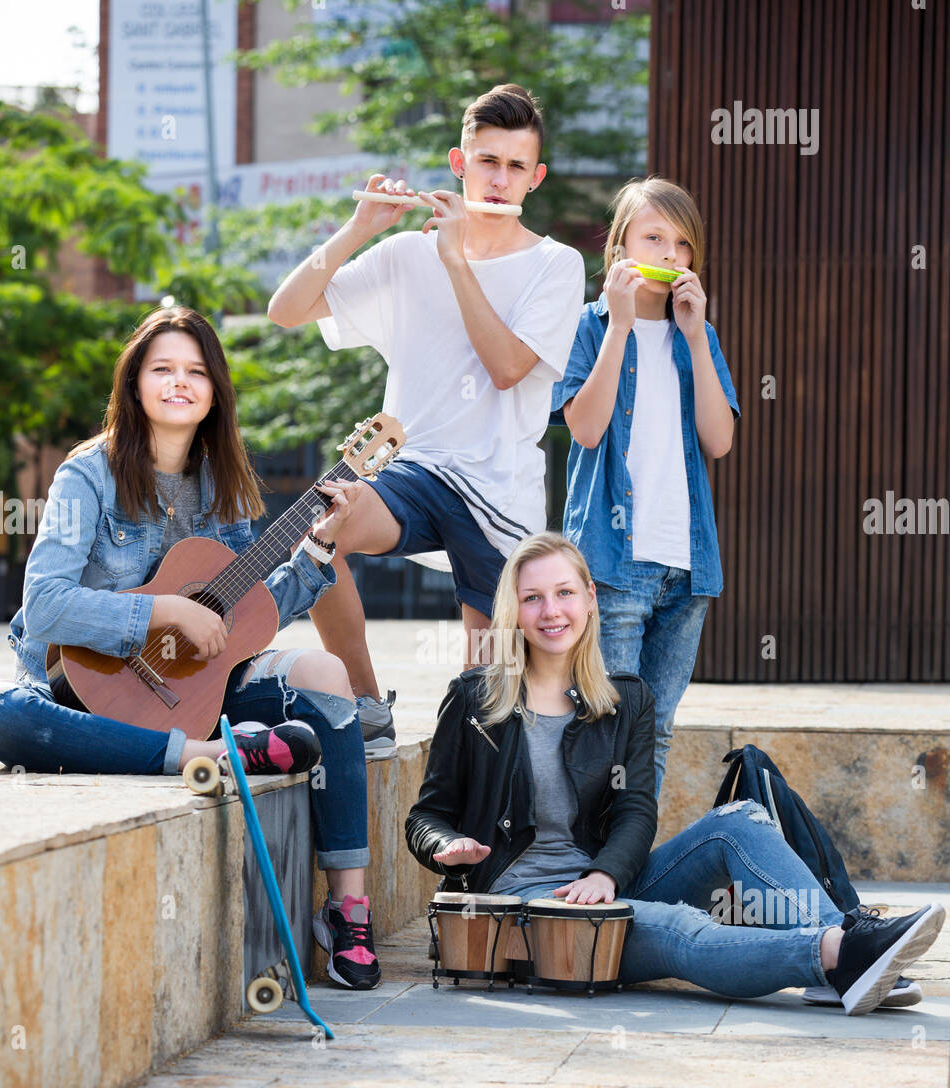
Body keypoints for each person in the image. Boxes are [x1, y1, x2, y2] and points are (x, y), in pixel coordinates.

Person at [0, 306, 380, 991]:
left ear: (215, 390)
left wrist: (317, 551)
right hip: (85, 690)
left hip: (190, 690)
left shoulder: (224, 485)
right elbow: (46, 603)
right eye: (162, 369)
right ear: (134, 382)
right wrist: (159, 610)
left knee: (323, 672)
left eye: (196, 372)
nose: (180, 383)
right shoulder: (90, 475)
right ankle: (204, 755)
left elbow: (248, 619)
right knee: (3, 716)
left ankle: (348, 907)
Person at [405, 533, 943, 1015]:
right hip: (531, 912)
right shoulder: (475, 700)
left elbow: (636, 810)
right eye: (533, 598)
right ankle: (842, 954)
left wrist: (605, 875)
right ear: (513, 611)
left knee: (740, 819)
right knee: (682, 929)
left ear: (590, 599)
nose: (552, 610)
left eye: (565, 592)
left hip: (606, 880)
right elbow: (427, 814)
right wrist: (445, 844)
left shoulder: (625, 699)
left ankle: (848, 951)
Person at [267, 83, 586, 759]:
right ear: (458, 162)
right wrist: (360, 228)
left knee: (486, 705)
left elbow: (504, 367)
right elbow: (285, 311)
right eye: (486, 161)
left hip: (498, 490)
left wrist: (455, 260)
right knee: (317, 526)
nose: (498, 179)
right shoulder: (406, 254)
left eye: (514, 166)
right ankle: (363, 704)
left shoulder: (556, 266)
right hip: (412, 466)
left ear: (536, 178)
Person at [551, 176, 739, 797]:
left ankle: (629, 876)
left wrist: (694, 335)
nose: (669, 255)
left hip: (686, 571)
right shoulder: (590, 325)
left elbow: (719, 440)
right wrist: (620, 326)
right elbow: (584, 428)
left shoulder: (699, 336)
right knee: (608, 728)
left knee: (654, 732)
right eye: (653, 237)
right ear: (620, 248)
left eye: (683, 244)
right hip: (614, 563)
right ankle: (596, 873)